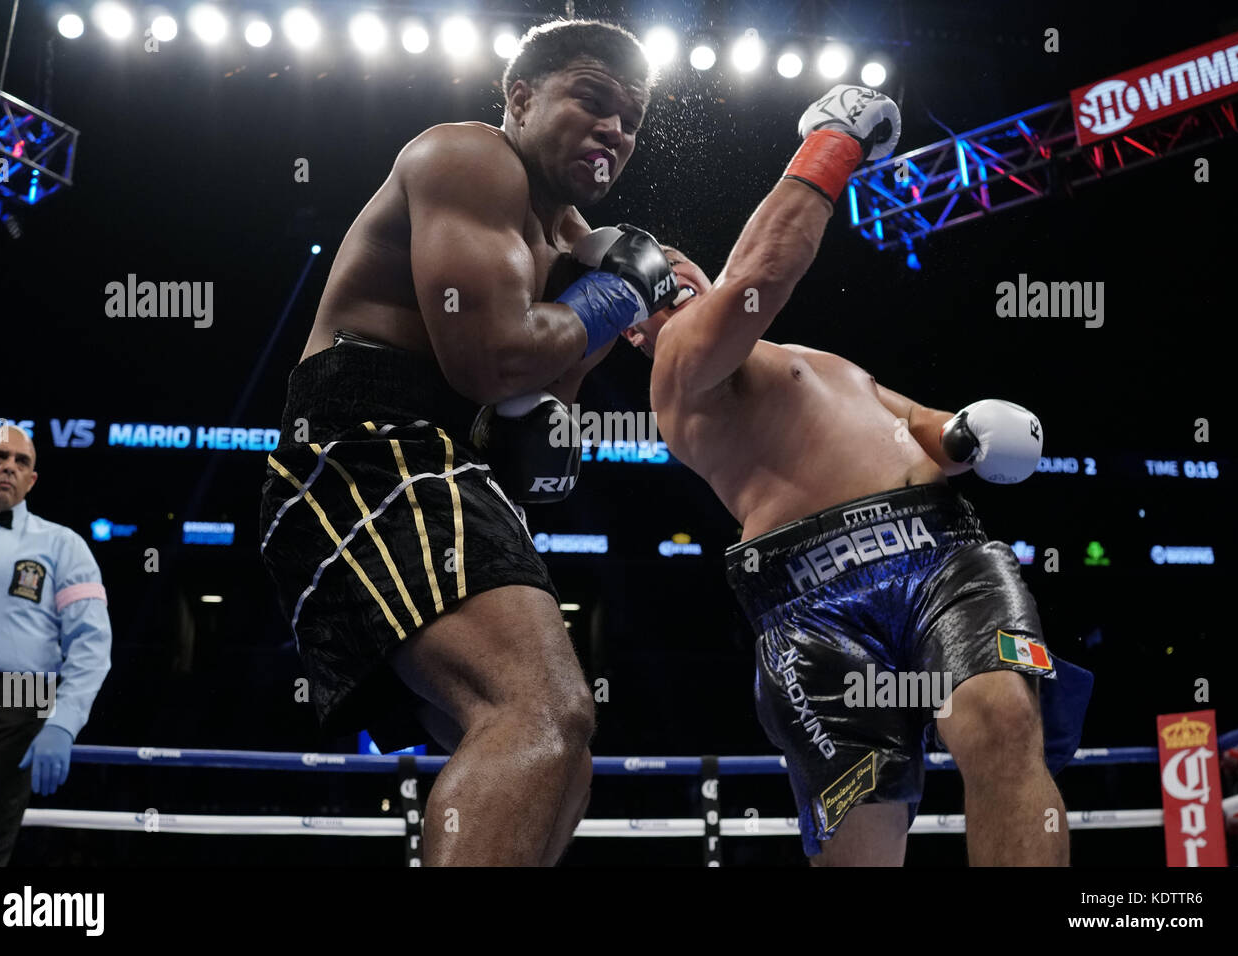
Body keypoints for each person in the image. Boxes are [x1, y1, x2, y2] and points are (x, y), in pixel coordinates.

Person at [628, 85, 1092, 865]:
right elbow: (762, 275)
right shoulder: (679, 371)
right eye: (648, 281)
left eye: (676, 263)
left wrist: (967, 435)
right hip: (812, 605)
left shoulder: (821, 364)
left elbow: (911, 422)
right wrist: (833, 144)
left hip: (947, 557)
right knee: (864, 829)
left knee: (1007, 726)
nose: (668, 273)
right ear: (633, 327)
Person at [259, 20, 679, 865]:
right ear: (521, 97)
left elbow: (532, 427)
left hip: (447, 463)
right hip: (369, 445)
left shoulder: (565, 243)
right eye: (592, 101)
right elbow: (490, 358)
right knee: (540, 711)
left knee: (562, 761)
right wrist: (617, 293)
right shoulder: (469, 157)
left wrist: (614, 293)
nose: (614, 131)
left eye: (630, 119)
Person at [0, 424, 112, 865]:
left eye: (21, 461)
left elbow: (91, 643)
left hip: (16, 703)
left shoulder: (63, 545)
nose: (9, 467)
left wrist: (64, 721)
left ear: (32, 479)